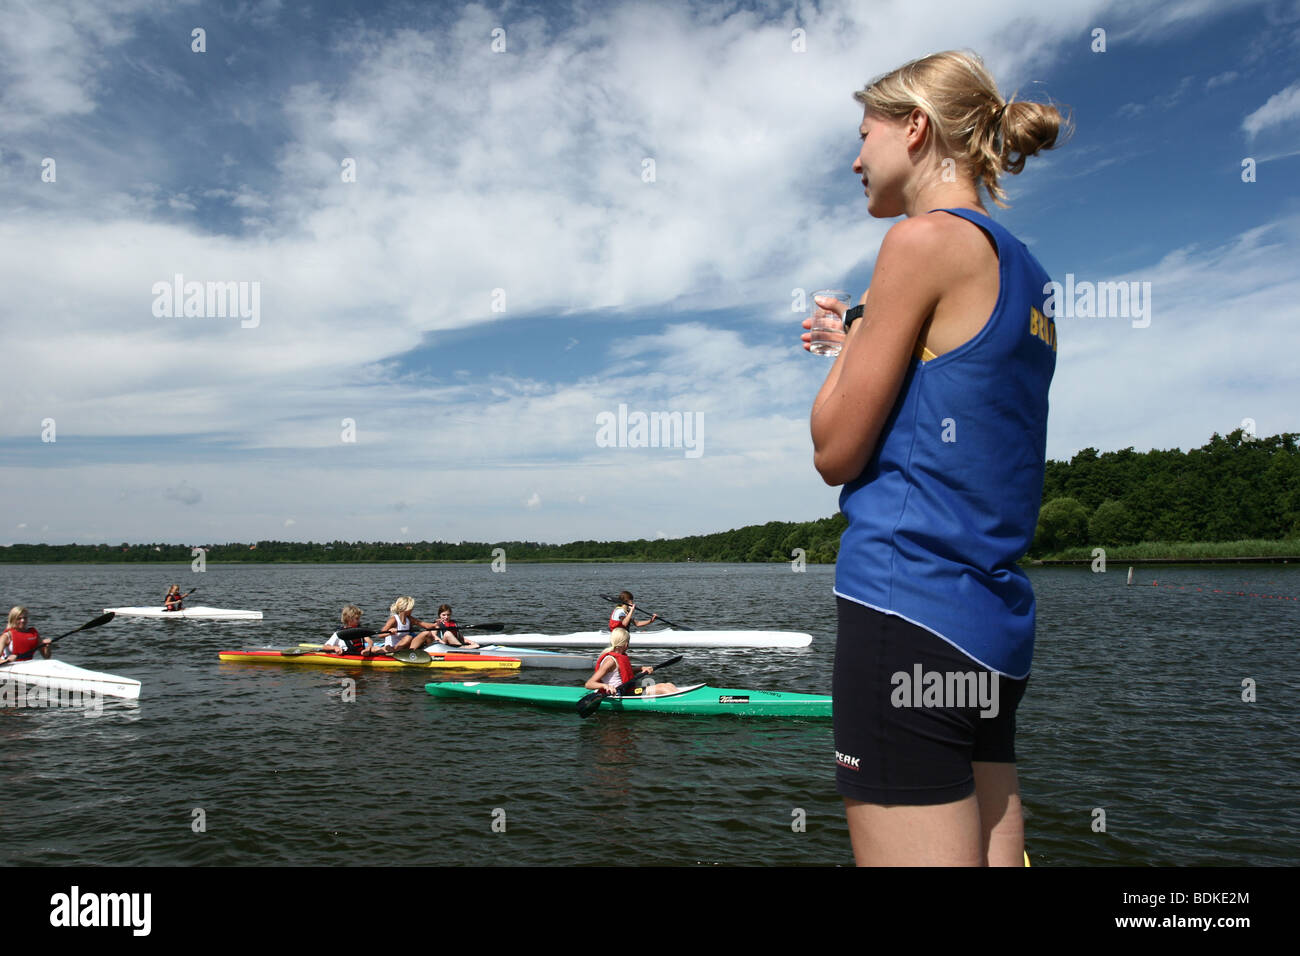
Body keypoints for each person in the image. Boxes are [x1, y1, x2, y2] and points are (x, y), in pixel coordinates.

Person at [808, 51, 1065, 866]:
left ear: (915, 128)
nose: (855, 158)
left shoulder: (918, 243)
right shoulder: (1028, 274)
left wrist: (844, 354)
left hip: (904, 609)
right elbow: (959, 403)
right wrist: (864, 337)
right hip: (990, 631)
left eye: (865, 134)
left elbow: (834, 450)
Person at [584, 627, 677, 697]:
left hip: (628, 690)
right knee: (662, 688)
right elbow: (589, 683)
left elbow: (624, 672)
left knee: (668, 685)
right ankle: (683, 702)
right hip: (619, 694)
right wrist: (605, 686)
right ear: (625, 644)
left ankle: (681, 697)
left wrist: (641, 669)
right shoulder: (610, 661)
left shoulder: (620, 657)